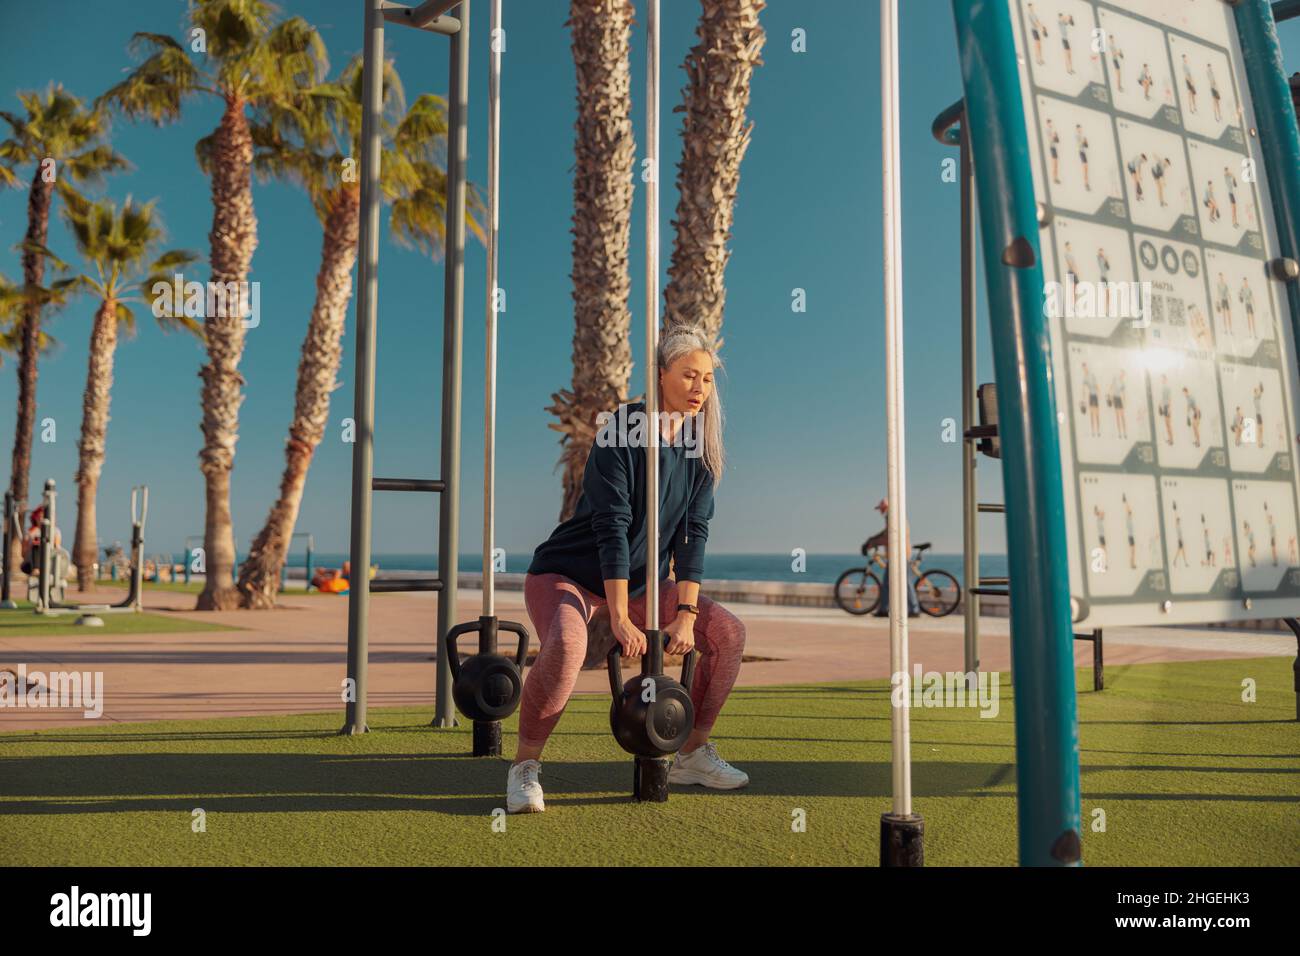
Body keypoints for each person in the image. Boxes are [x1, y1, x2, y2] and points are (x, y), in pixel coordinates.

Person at [508, 326, 747, 814]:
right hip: (568, 573)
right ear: (661, 376)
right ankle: (525, 766)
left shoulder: (702, 450)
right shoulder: (620, 431)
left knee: (727, 632)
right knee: (570, 644)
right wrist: (618, 616)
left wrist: (684, 611)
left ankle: (693, 751)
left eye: (706, 379)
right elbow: (611, 526)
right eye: (688, 376)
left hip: (643, 582)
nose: (700, 388)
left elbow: (692, 534)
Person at [864, 499, 919, 618]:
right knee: (887, 583)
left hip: (900, 555)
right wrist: (871, 540)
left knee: (905, 582)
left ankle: (913, 609)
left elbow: (890, 537)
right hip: (895, 555)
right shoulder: (892, 516)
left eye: (881, 508)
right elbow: (885, 533)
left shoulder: (894, 517)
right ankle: (884, 609)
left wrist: (872, 543)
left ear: (886, 507)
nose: (880, 511)